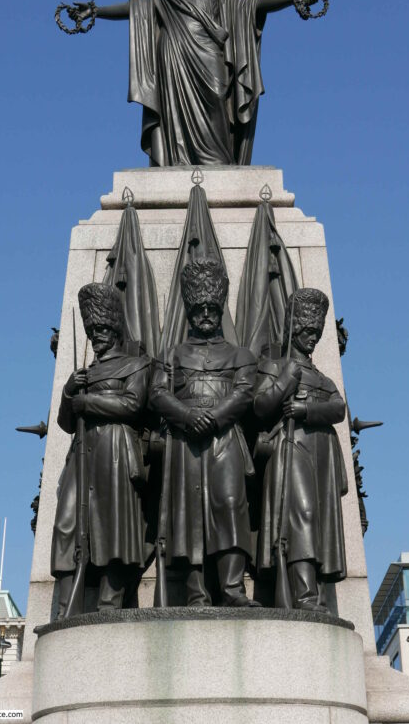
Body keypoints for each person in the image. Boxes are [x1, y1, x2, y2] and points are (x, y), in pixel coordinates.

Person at [65, 0, 319, 166]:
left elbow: (254, 4)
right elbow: (132, 9)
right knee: (172, 116)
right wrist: (96, 11)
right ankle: (179, 164)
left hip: (209, 55)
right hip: (173, 55)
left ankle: (218, 163)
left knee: (219, 99)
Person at [149, 257, 259, 606]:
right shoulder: (172, 354)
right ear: (190, 312)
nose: (207, 314)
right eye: (200, 309)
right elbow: (156, 393)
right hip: (185, 444)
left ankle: (232, 590)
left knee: (229, 506)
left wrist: (213, 419)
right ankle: (196, 593)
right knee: (189, 513)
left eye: (213, 307)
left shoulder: (241, 355)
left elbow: (245, 393)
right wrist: (186, 415)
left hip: (225, 440)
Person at [51, 283, 151, 615]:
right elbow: (66, 422)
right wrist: (68, 393)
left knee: (113, 527)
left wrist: (88, 401)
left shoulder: (136, 366)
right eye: (93, 330)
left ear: (116, 329)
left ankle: (110, 603)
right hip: (81, 456)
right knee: (67, 524)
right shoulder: (83, 375)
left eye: (103, 329)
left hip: (116, 450)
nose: (97, 335)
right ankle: (67, 607)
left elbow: (133, 404)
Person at [254, 288, 348, 612]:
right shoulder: (274, 368)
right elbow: (261, 406)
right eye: (305, 331)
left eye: (315, 333)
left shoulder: (323, 378)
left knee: (319, 523)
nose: (310, 338)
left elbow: (339, 408)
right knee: (302, 516)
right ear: (293, 329)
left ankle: (318, 593)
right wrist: (287, 378)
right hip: (291, 449)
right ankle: (303, 596)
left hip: (321, 453)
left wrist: (306, 410)